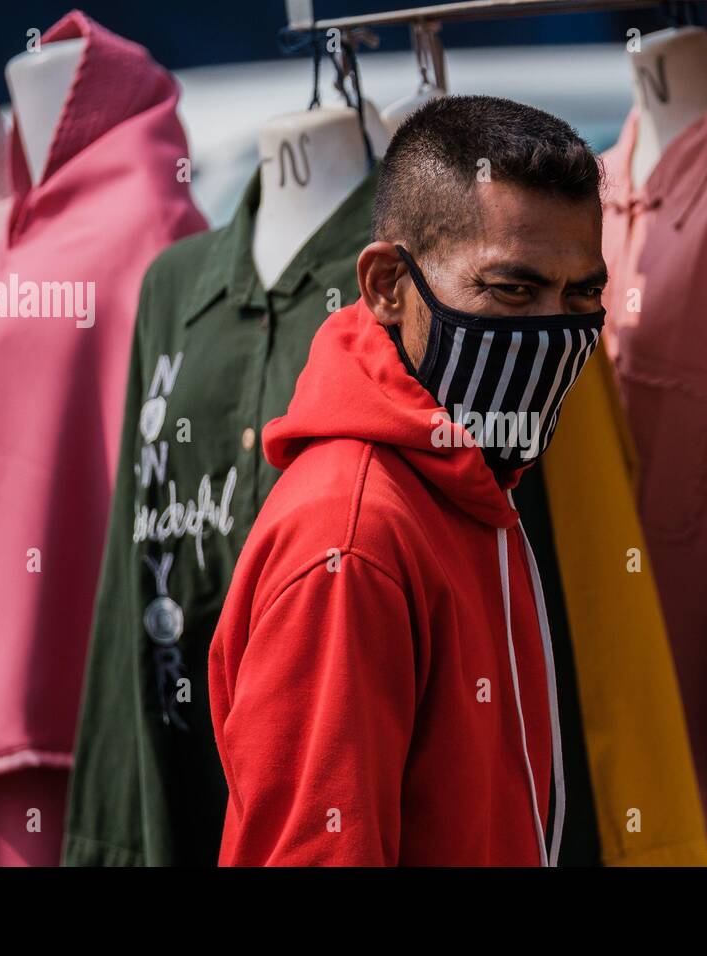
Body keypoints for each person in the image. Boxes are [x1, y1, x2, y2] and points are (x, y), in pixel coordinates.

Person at [208, 95, 607, 866]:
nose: (555, 332)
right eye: (513, 292)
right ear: (389, 285)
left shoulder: (471, 483)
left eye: (581, 295)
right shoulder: (351, 541)